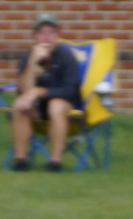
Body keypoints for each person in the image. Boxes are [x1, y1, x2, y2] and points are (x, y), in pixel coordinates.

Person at [8, 14, 82, 172]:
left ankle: (55, 162)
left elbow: (69, 91)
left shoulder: (66, 57)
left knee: (55, 105)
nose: (46, 37)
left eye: (51, 32)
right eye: (41, 32)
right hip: (38, 110)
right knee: (20, 105)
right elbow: (23, 91)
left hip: (65, 109)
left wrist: (40, 91)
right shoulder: (28, 57)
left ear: (58, 36)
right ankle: (21, 160)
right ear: (34, 36)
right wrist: (33, 62)